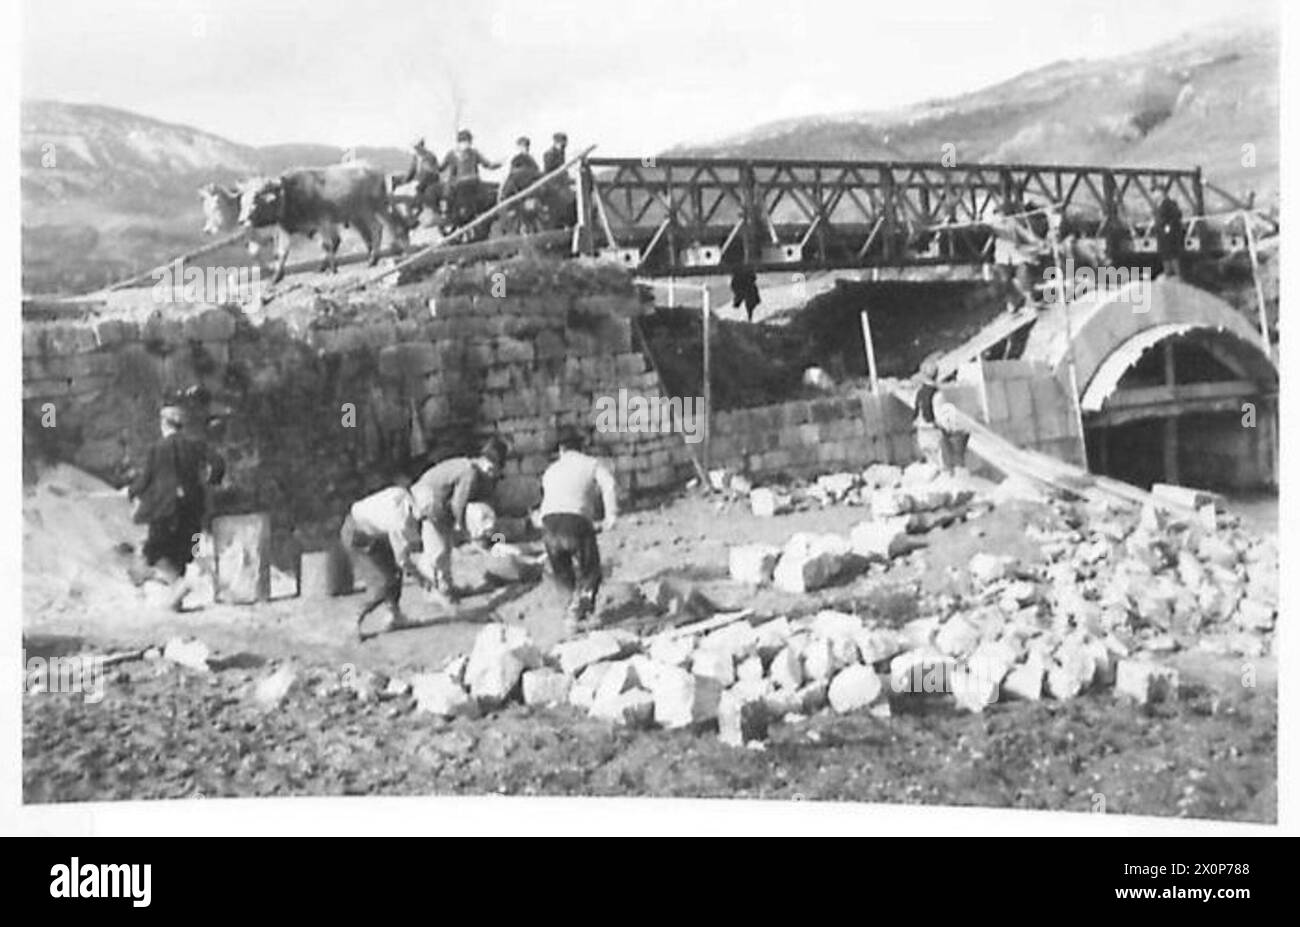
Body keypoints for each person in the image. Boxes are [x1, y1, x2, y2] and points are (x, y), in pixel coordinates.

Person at [126, 403, 226, 611]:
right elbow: (217, 463)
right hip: (192, 509)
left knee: (154, 553)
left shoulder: (157, 449)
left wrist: (130, 492)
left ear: (164, 424)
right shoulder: (196, 445)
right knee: (183, 552)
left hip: (165, 511)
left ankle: (179, 587)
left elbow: (145, 480)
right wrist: (210, 482)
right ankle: (177, 601)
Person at [410, 437, 509, 603]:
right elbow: (459, 504)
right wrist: (463, 530)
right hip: (428, 500)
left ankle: (445, 587)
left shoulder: (471, 469)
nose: (493, 476)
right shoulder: (469, 472)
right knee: (439, 548)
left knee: (445, 546)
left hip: (436, 500)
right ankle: (439, 593)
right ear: (489, 465)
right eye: (494, 471)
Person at [539, 425, 618, 632]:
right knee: (590, 570)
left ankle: (569, 617)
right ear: (580, 447)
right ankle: (582, 612)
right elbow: (608, 484)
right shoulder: (591, 464)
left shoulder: (550, 470)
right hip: (575, 521)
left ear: (561, 450)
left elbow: (547, 500)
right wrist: (611, 516)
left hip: (548, 524)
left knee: (563, 573)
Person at [341, 477, 433, 641]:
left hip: (373, 532)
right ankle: (353, 622)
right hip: (356, 535)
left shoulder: (401, 494)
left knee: (394, 574)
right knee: (382, 583)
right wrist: (422, 579)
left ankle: (394, 616)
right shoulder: (399, 522)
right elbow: (402, 559)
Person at [913, 357, 968, 473]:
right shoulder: (937, 395)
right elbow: (941, 418)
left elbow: (916, 413)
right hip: (935, 435)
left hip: (921, 435)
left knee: (931, 467)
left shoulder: (918, 393)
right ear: (936, 374)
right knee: (943, 470)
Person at [443, 129, 500, 223]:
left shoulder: (451, 154)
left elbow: (441, 167)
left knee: (450, 197)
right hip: (474, 182)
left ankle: (452, 216)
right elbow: (488, 165)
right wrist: (499, 164)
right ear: (470, 141)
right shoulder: (474, 152)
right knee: (490, 194)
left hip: (460, 184)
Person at [403, 137, 442, 224]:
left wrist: (419, 182)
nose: (416, 149)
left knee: (417, 192)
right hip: (420, 181)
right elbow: (412, 171)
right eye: (415, 148)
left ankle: (430, 212)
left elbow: (431, 172)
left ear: (422, 146)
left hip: (430, 182)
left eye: (417, 147)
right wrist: (404, 180)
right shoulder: (416, 158)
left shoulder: (430, 156)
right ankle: (413, 218)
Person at [500, 136, 541, 200]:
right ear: (519, 147)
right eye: (523, 146)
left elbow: (536, 171)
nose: (526, 148)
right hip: (521, 189)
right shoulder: (517, 159)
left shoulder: (531, 159)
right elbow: (513, 176)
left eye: (526, 146)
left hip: (529, 187)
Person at [1154, 194, 1184, 278]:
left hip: (1166, 240)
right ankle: (1175, 275)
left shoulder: (1165, 208)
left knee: (1168, 257)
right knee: (1172, 257)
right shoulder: (1174, 216)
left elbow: (1163, 224)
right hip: (1171, 240)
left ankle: (1170, 274)